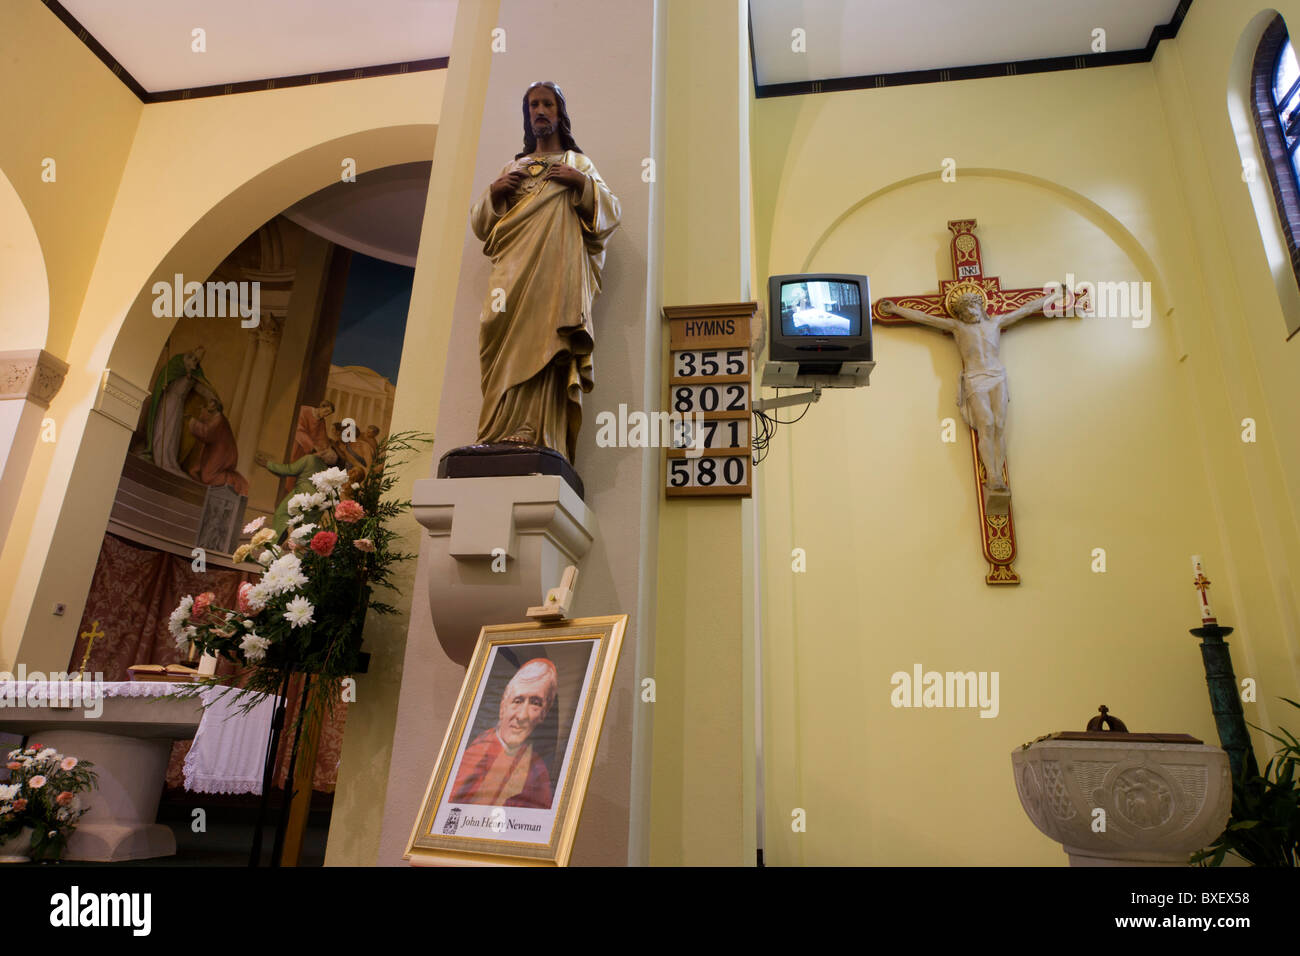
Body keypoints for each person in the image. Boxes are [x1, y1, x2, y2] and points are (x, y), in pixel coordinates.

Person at [469, 81, 621, 463]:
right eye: (534, 104)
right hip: (511, 277)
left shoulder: (578, 164)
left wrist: (581, 184)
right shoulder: (512, 168)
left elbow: (611, 213)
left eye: (547, 104)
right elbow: (483, 225)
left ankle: (541, 435)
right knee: (495, 328)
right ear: (527, 114)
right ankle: (498, 431)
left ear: (559, 112)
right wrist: (495, 192)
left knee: (548, 342)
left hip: (555, 280)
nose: (540, 110)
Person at [878, 286, 1065, 497]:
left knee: (1000, 424)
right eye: (965, 310)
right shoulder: (957, 327)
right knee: (986, 423)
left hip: (997, 376)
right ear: (960, 313)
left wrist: (1053, 297)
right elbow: (924, 318)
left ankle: (998, 475)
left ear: (980, 306)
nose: (970, 312)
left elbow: (1024, 309)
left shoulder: (996, 322)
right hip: (975, 378)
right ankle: (993, 475)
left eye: (973, 306)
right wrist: (896, 309)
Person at [449, 658, 557, 809]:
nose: (522, 716)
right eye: (518, 701)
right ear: (503, 706)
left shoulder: (538, 769)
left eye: (535, 703)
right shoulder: (477, 753)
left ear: (543, 714)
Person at [144, 346, 218, 475]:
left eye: (198, 360)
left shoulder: (195, 374)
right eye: (194, 358)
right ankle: (157, 455)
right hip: (168, 401)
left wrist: (212, 398)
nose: (195, 362)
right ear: (189, 356)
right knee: (162, 428)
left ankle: (167, 459)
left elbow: (202, 388)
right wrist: (164, 385)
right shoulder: (175, 367)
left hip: (178, 405)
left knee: (173, 432)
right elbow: (164, 379)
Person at [256, 445, 340, 538]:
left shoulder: (309, 459)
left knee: (281, 514)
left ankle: (282, 537)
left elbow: (289, 469)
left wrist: (268, 464)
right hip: (318, 500)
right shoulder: (327, 468)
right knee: (307, 527)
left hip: (302, 493)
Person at [186, 398, 248, 495]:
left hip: (222, 452)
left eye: (210, 405)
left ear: (215, 408)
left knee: (208, 477)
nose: (207, 407)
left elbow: (206, 433)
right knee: (195, 471)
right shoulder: (215, 417)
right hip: (215, 450)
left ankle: (234, 481)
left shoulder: (218, 419)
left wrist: (192, 421)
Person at [286, 400, 334, 492]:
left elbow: (322, 438)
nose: (326, 415)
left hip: (308, 451)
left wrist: (326, 449)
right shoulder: (304, 411)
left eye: (328, 414)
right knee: (292, 469)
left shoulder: (321, 421)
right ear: (321, 407)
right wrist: (312, 446)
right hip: (298, 445)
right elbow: (298, 429)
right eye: (326, 411)